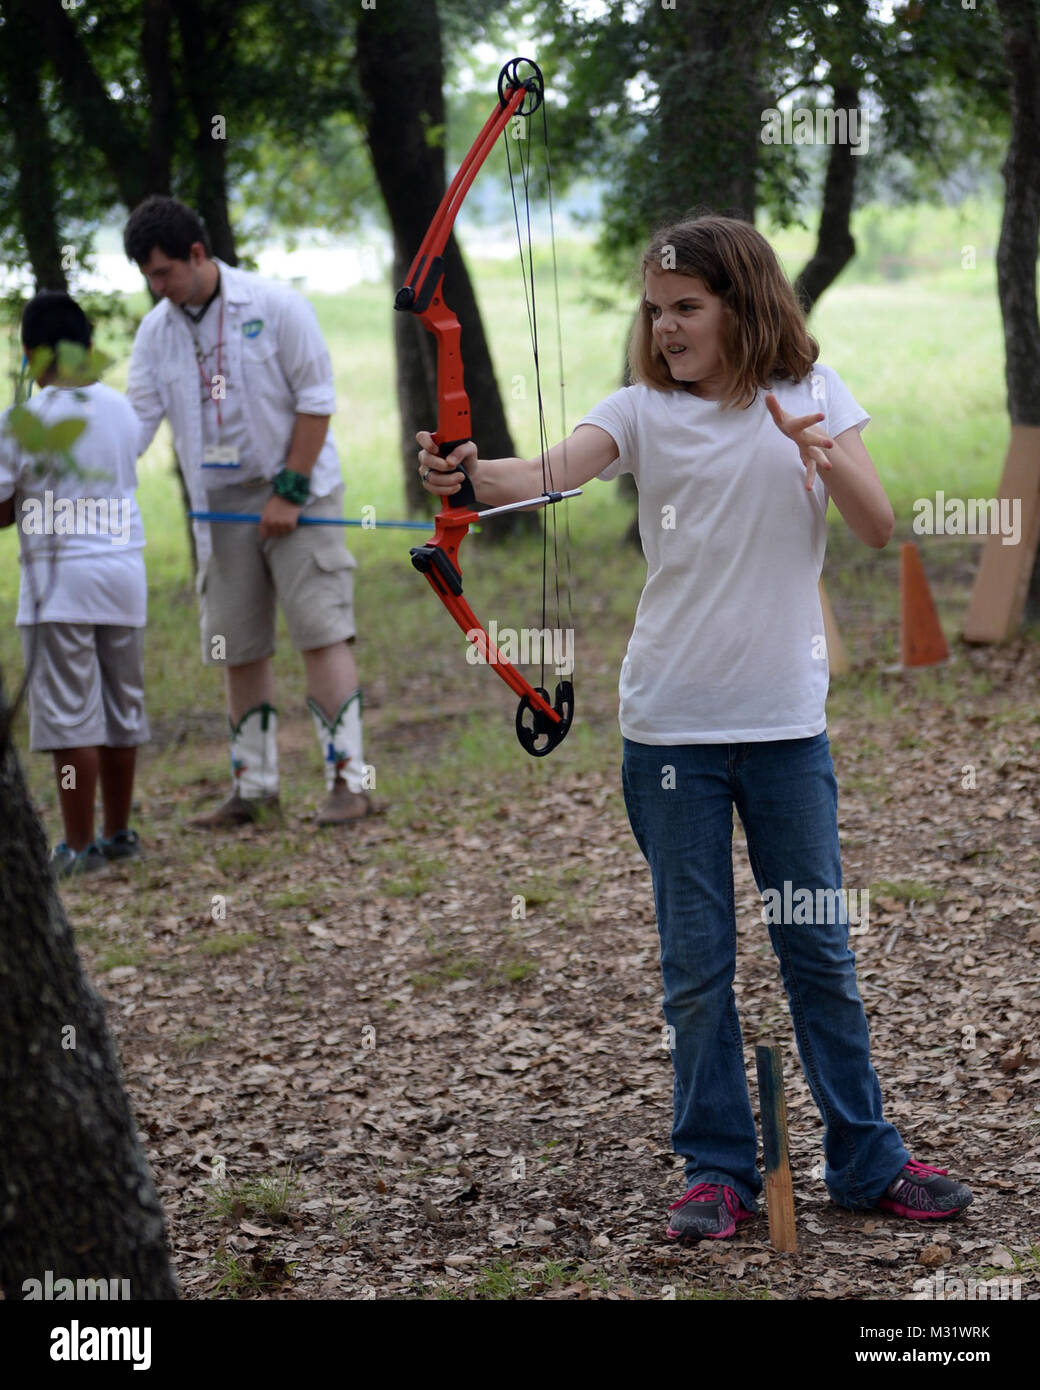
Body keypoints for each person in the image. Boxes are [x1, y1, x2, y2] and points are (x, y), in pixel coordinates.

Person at [417, 214, 972, 1239]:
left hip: (783, 731)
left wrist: (819, 452)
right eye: (655, 311)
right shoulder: (639, 411)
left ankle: (864, 1158)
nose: (666, 327)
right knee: (696, 963)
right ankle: (714, 1168)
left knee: (816, 949)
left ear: (740, 301)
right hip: (670, 731)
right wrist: (464, 474)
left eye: (687, 307)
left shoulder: (810, 392)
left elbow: (875, 522)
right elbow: (543, 472)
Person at [123, 195, 378, 828]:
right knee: (237, 644)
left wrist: (289, 493)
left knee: (321, 630)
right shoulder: (156, 333)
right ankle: (254, 788)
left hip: (299, 485)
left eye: (164, 272)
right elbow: (133, 424)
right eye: (148, 277)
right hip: (220, 507)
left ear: (197, 254)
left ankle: (349, 783)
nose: (158, 288)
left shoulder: (276, 306)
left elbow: (317, 401)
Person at [0, 290, 147, 876]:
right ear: (87, 348)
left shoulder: (23, 420)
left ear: (31, 354)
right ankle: (119, 833)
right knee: (120, 710)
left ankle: (77, 845)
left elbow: (3, 510)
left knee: (70, 720)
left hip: (58, 585)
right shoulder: (121, 409)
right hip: (124, 573)